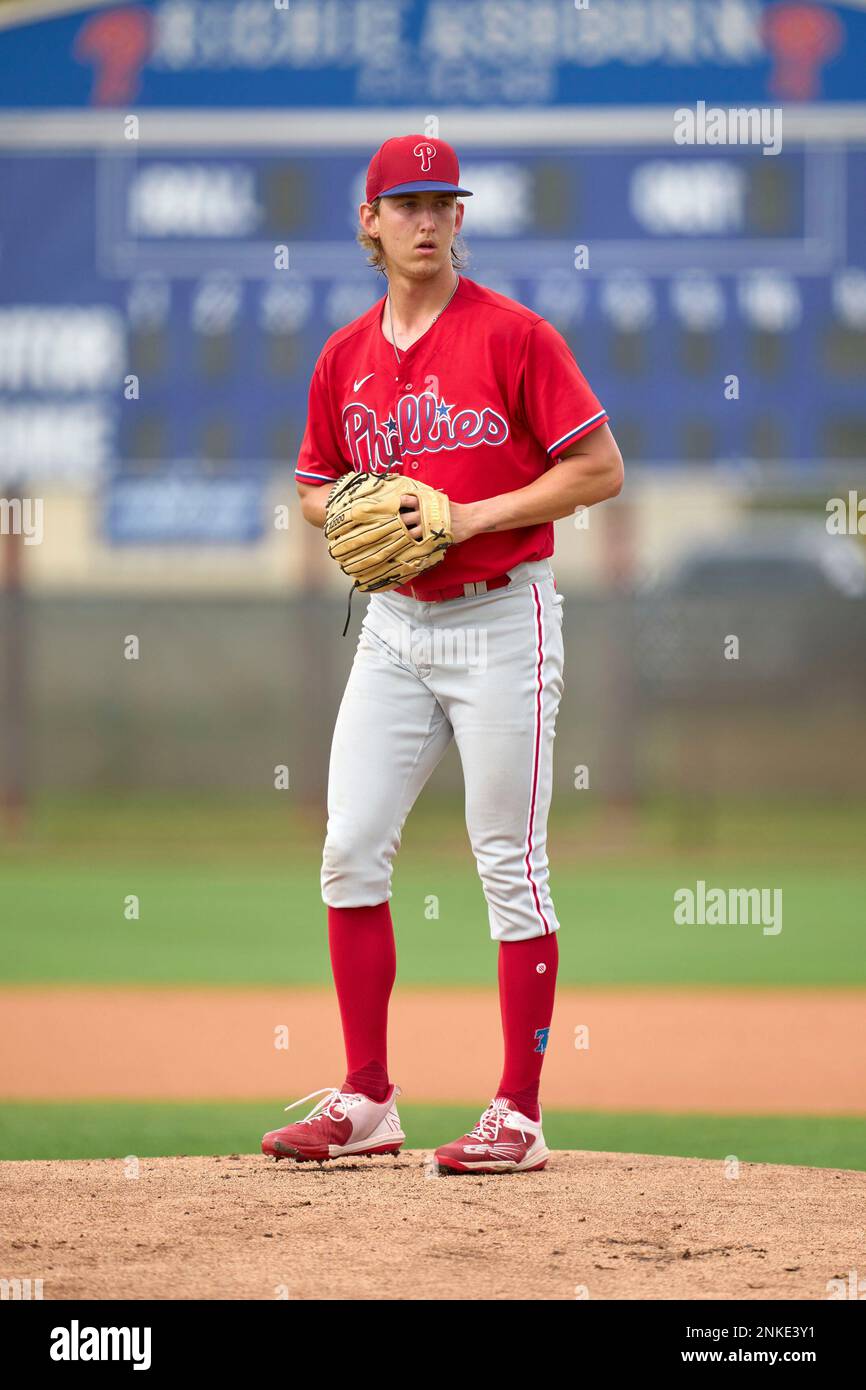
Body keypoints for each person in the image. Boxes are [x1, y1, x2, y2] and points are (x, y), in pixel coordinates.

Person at [262, 134, 623, 1174]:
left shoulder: (515, 337)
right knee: (349, 847)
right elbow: (315, 487)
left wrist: (466, 517)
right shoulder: (343, 356)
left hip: (504, 617)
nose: (426, 219)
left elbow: (597, 469)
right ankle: (368, 1097)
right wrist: (359, 510)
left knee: (508, 868)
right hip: (393, 627)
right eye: (404, 202)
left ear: (459, 218)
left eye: (442, 201)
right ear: (369, 222)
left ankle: (517, 1111)